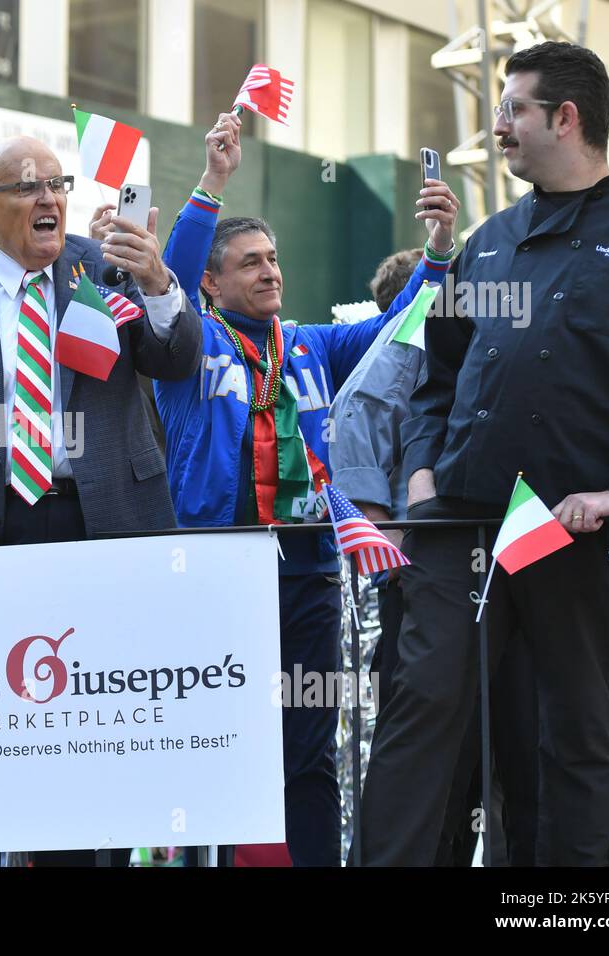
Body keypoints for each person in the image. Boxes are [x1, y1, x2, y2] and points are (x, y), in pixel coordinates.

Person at [359, 41, 609, 865]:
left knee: (578, 732)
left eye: (511, 110)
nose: (496, 128)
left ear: (564, 118)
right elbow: (437, 373)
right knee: (418, 713)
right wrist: (421, 471)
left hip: (576, 530)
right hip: (460, 521)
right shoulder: (492, 237)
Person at [0, 134, 202, 865]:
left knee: (94, 750)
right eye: (28, 188)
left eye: (57, 183)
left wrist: (158, 285)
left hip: (105, 525)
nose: (49, 200)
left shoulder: (106, 264)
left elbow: (177, 360)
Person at [149, 110, 459, 866]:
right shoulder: (190, 344)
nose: (271, 271)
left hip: (308, 573)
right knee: (216, 745)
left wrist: (440, 251)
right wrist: (214, 180)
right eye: (250, 262)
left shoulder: (314, 345)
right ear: (214, 284)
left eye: (275, 258)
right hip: (217, 570)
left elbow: (401, 323)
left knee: (307, 753)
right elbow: (171, 280)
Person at [330, 250, 540, 866]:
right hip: (431, 573)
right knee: (433, 756)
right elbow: (356, 413)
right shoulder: (423, 330)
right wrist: (386, 530)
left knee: (517, 752)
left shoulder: (515, 334)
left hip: (520, 562)